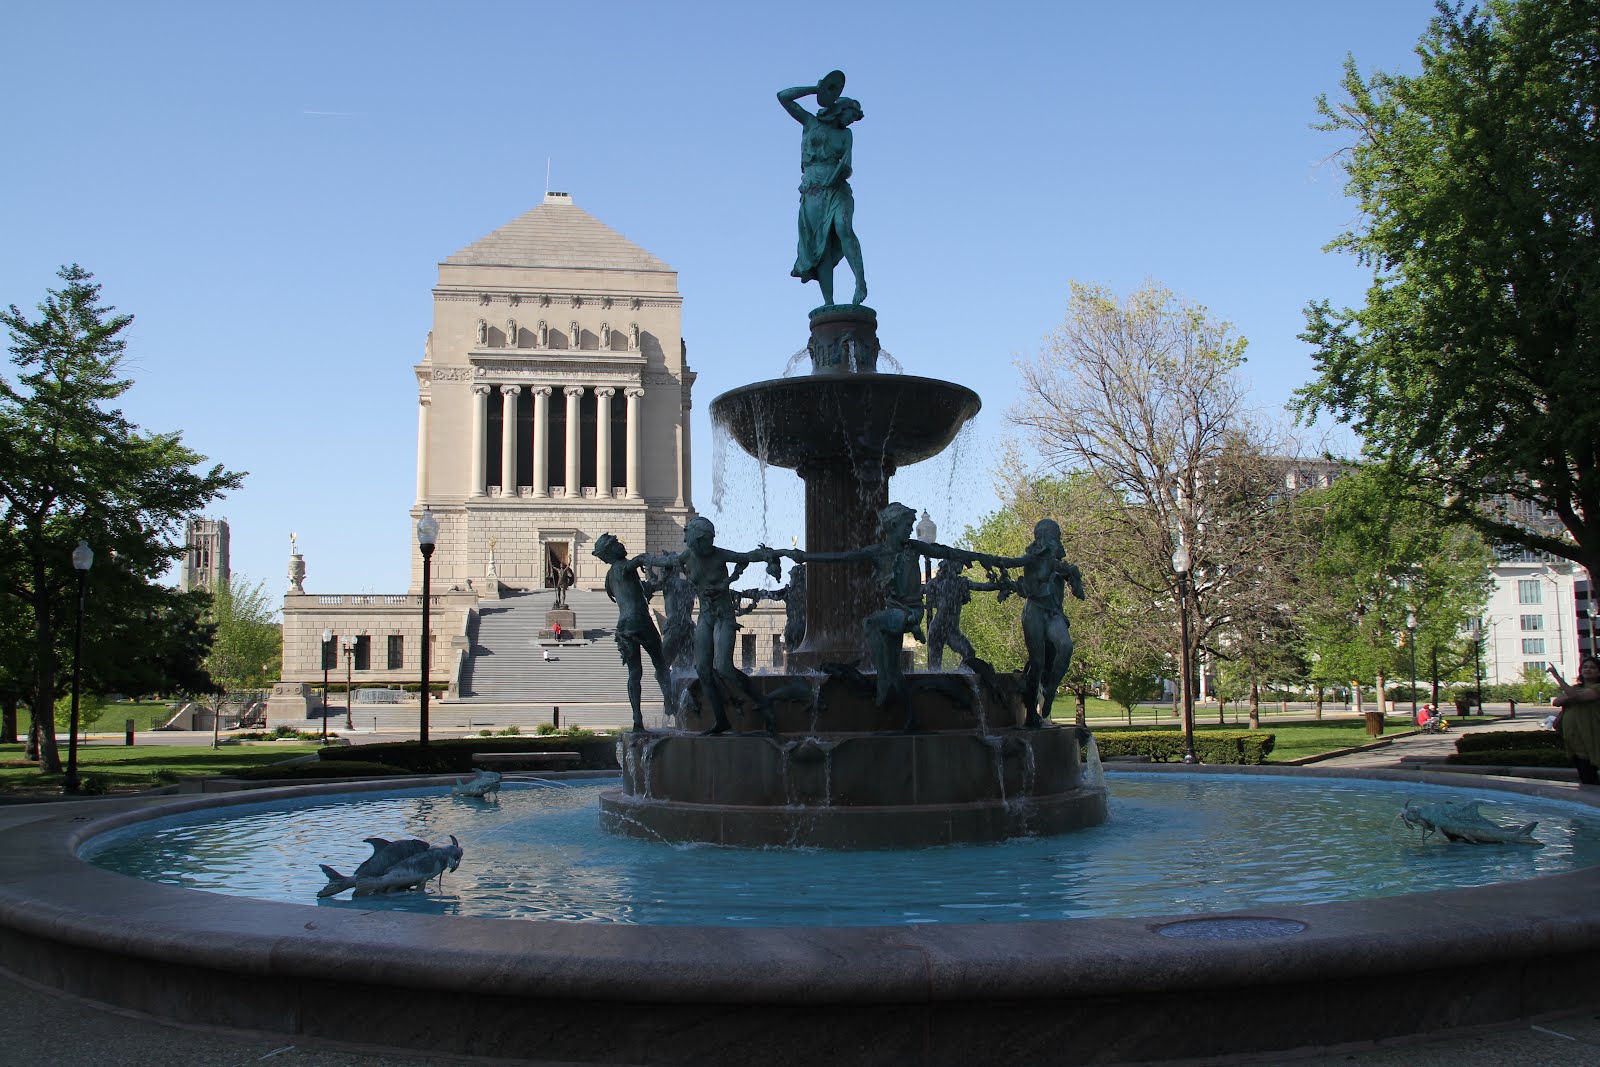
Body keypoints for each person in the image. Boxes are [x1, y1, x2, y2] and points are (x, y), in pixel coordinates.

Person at [793, 502, 980, 730]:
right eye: (907, 525)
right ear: (892, 526)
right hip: (894, 612)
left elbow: (944, 551)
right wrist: (803, 556)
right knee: (894, 670)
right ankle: (909, 718)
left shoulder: (913, 548)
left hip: (910, 611)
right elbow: (841, 557)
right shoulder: (879, 551)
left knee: (870, 623)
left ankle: (883, 681)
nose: (911, 530)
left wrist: (987, 559)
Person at [639, 517, 790, 734]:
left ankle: (763, 702)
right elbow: (663, 563)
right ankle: (721, 719)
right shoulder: (687, 556)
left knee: (724, 667)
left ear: (701, 538)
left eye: (688, 535)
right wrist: (641, 560)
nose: (684, 539)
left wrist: (769, 555)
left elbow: (746, 557)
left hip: (723, 617)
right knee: (702, 669)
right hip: (706, 618)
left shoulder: (720, 555)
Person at [971, 519, 1086, 728]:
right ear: (1042, 537)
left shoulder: (1062, 566)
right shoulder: (1032, 559)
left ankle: (1050, 691)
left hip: (1053, 613)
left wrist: (1073, 576)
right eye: (1052, 535)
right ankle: (1032, 710)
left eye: (1057, 535)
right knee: (1038, 663)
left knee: (1066, 646)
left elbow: (1080, 595)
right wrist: (984, 559)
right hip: (1034, 612)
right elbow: (1009, 562)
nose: (1056, 539)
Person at [778, 75, 868, 307]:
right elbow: (783, 97)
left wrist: (840, 172)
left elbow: (847, 165)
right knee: (821, 249)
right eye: (849, 116)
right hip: (812, 190)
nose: (850, 122)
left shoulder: (846, 135)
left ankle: (860, 282)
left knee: (843, 227)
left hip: (836, 188)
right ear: (840, 109)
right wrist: (815, 89)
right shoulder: (810, 123)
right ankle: (829, 304)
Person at [592, 533, 675, 732]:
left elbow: (640, 593)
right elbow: (641, 559)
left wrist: (661, 577)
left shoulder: (610, 577)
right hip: (641, 623)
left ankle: (637, 719)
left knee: (634, 672)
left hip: (624, 627)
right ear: (610, 552)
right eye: (617, 544)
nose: (622, 545)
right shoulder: (623, 566)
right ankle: (670, 703)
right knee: (661, 664)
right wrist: (668, 560)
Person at [1551, 656, 1600, 785]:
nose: (1588, 669)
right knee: (1586, 778)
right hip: (1576, 741)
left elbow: (1577, 697)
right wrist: (1570, 697)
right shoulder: (1576, 687)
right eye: (1585, 667)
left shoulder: (1597, 688)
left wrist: (1557, 676)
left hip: (1593, 738)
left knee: (1591, 778)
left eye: (1592, 667)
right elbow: (1556, 702)